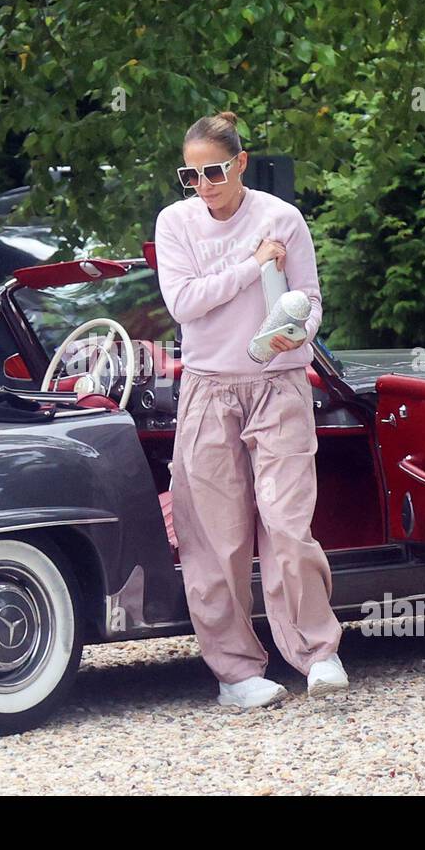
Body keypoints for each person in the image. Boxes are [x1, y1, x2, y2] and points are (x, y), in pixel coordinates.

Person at [154, 111, 348, 710]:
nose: (204, 184)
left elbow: (310, 300)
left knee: (288, 522)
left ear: (240, 162)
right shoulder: (175, 222)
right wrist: (253, 265)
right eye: (191, 175)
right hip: (209, 386)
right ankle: (235, 672)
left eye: (214, 170)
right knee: (215, 537)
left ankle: (318, 652)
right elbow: (183, 303)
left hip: (279, 380)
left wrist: (300, 333)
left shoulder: (280, 217)